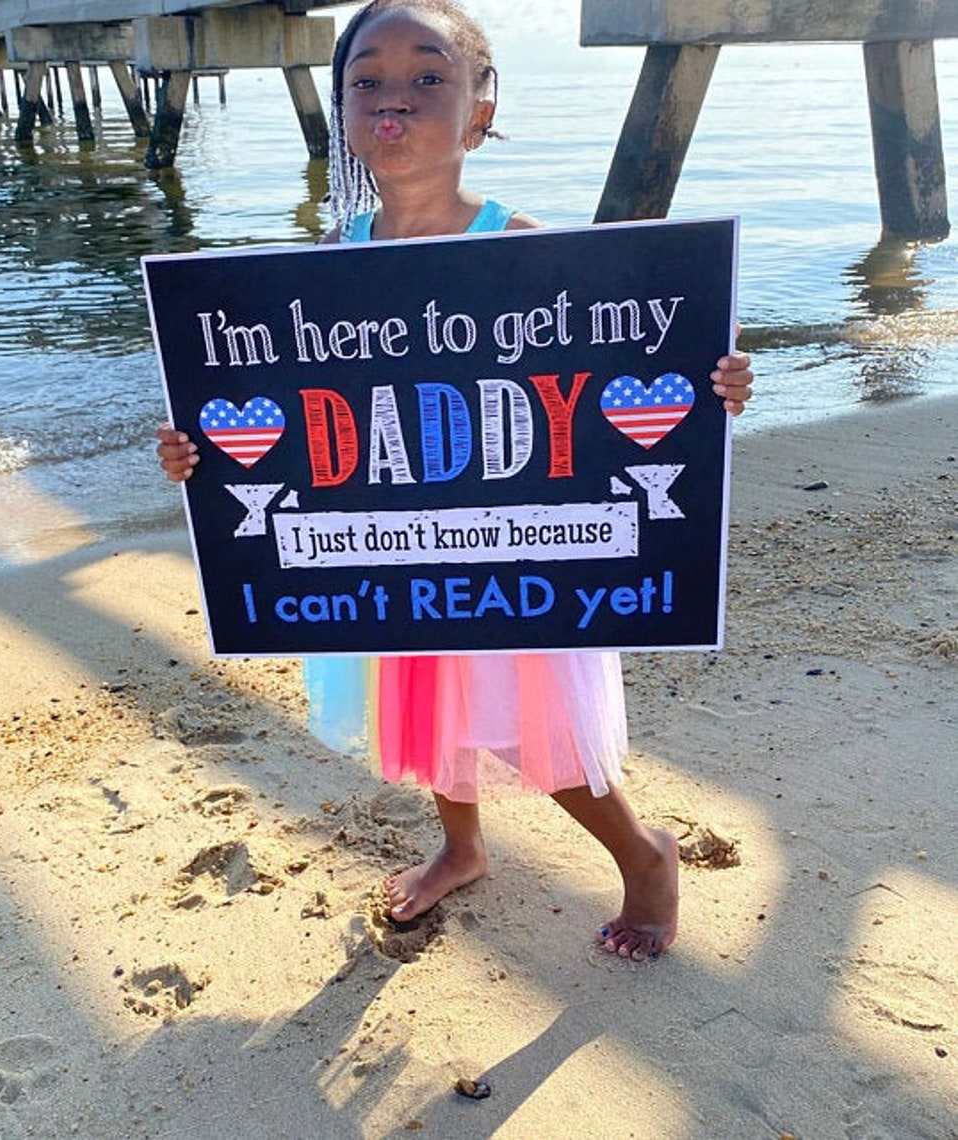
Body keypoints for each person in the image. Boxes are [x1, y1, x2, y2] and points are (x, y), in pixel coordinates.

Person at [156, 0, 754, 961]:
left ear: (480, 107)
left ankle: (643, 855)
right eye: (367, 80)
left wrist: (711, 386)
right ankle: (462, 845)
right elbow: (271, 402)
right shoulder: (328, 263)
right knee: (428, 704)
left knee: (532, 724)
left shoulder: (532, 247)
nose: (395, 97)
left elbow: (633, 361)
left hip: (523, 544)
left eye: (428, 76)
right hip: (394, 541)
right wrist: (200, 453)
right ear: (343, 114)